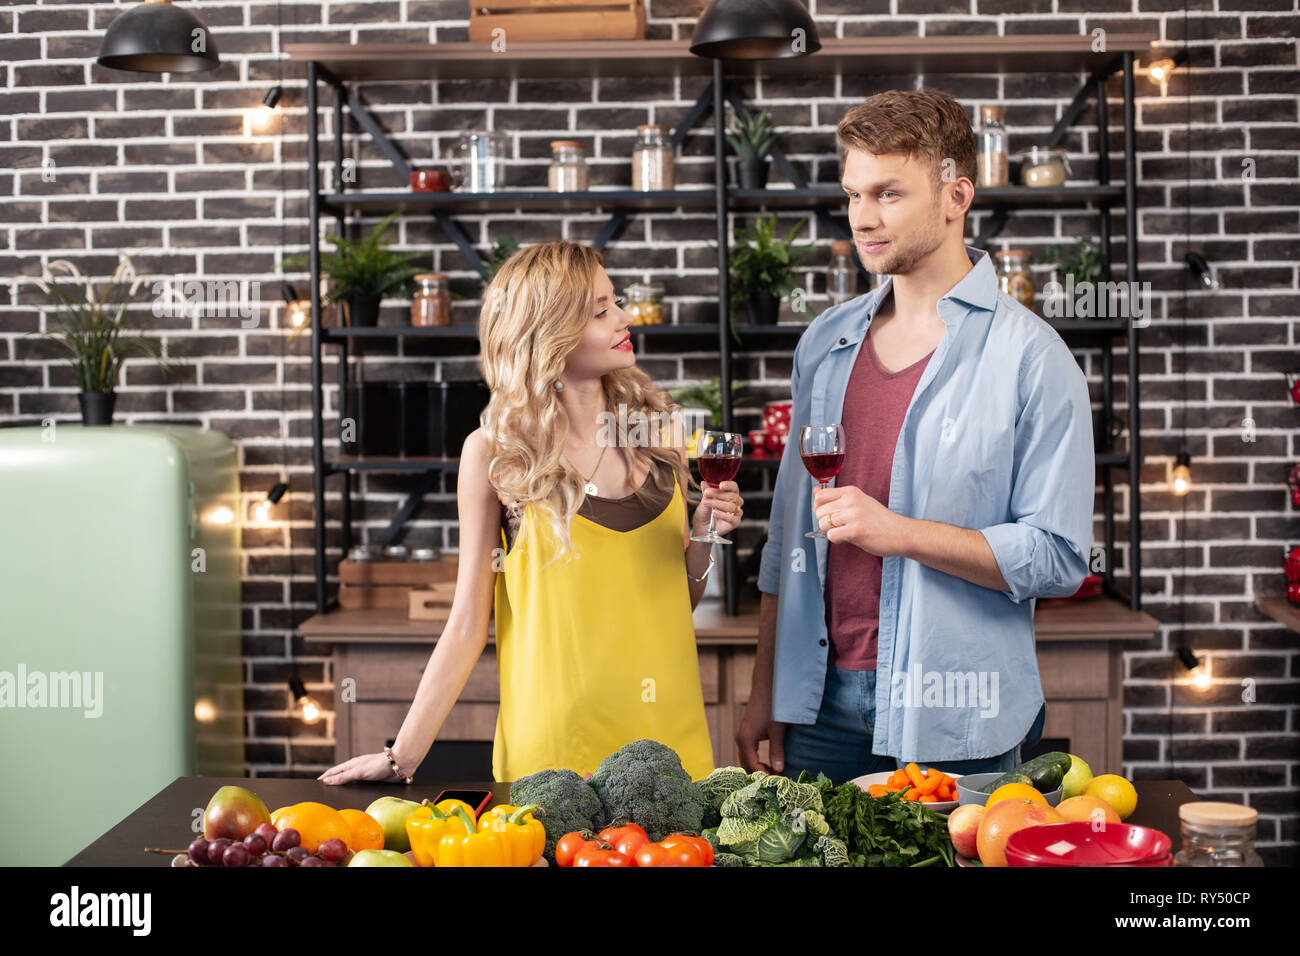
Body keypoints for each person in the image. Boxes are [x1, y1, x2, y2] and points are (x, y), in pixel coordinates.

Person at [738, 88, 1094, 785]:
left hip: (957, 716)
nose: (863, 220)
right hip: (817, 711)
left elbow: (1057, 557)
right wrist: (766, 691)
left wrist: (900, 533)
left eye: (889, 194)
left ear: (955, 195)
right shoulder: (825, 343)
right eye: (854, 195)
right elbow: (787, 542)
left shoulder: (1031, 357)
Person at [320, 240, 742, 786]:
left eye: (615, 302)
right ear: (548, 335)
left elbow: (674, 599)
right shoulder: (495, 454)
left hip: (671, 746)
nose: (624, 317)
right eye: (600, 310)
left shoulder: (659, 436)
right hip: (556, 756)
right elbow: (469, 622)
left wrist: (705, 534)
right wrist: (402, 754)